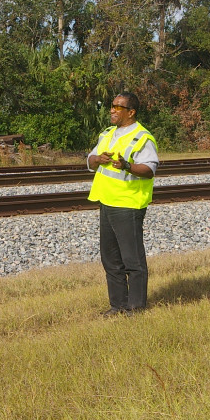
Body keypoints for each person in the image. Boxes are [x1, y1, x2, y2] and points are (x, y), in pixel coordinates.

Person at [86, 92, 159, 316]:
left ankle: (135, 308)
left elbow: (149, 169)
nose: (112, 110)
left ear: (131, 112)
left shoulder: (142, 137)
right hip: (106, 201)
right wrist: (97, 159)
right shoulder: (107, 133)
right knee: (110, 259)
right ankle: (117, 306)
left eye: (118, 107)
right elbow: (90, 160)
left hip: (128, 204)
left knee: (132, 260)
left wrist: (127, 166)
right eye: (112, 106)